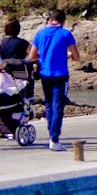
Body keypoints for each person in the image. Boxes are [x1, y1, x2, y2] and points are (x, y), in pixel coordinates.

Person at [26, 9, 79, 151]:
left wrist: (43, 56)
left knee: (49, 103)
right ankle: (54, 138)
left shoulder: (40, 33)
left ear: (50, 19)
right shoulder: (65, 34)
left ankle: (52, 134)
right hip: (60, 74)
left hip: (44, 73)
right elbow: (76, 57)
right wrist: (66, 55)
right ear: (63, 21)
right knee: (58, 105)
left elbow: (31, 56)